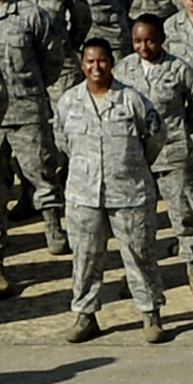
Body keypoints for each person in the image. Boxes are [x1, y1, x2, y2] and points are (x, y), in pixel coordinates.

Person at [47, 33, 173, 345]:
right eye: (90, 61)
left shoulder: (132, 100)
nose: (96, 66)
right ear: (81, 65)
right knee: (85, 257)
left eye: (102, 60)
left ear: (112, 63)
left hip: (128, 193)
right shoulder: (68, 102)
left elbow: (155, 135)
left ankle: (150, 313)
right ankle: (86, 315)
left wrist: (132, 166)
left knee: (139, 254)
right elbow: (62, 140)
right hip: (83, 195)